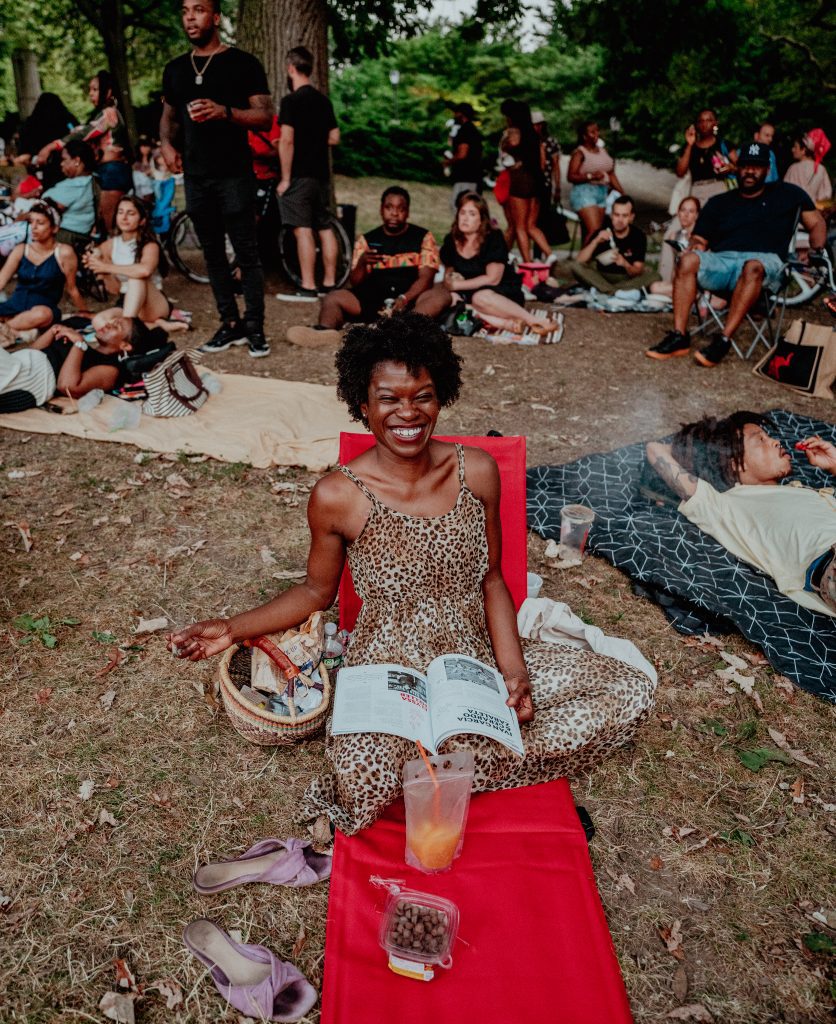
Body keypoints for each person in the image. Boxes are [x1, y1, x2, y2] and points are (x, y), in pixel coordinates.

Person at [169, 312, 655, 834]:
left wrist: (514, 672)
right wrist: (232, 628)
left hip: (472, 653)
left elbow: (492, 579)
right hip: (387, 660)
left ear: (440, 397)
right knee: (361, 776)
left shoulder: (477, 471)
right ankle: (462, 759)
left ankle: (449, 762)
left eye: (422, 396)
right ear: (363, 404)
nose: (408, 412)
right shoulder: (337, 495)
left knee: (629, 689)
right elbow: (315, 591)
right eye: (389, 398)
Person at [645, 142, 827, 366]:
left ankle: (723, 339)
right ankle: (679, 336)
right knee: (687, 260)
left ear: (767, 169)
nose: (750, 171)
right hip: (724, 261)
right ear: (736, 167)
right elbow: (700, 239)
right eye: (745, 166)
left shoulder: (788, 194)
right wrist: (695, 246)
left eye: (756, 166)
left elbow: (816, 223)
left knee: (752, 266)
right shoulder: (719, 202)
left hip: (766, 264)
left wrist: (815, 248)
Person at [161, 0, 273, 358]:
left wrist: (225, 112)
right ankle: (230, 323)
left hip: (234, 175)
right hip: (196, 177)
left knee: (246, 253)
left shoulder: (243, 63)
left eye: (198, 9)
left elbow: (264, 116)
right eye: (185, 11)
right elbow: (169, 117)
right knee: (211, 254)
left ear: (216, 17)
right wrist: (166, 144)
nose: (190, 18)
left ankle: (255, 327)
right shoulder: (176, 69)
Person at [646, 412, 836, 617]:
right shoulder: (727, 504)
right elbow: (655, 449)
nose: (775, 442)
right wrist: (703, 446)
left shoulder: (799, 490)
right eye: (760, 440)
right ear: (734, 463)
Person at [285, 187, 445, 347]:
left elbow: (426, 278)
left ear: (407, 212)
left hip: (410, 302)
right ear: (381, 210)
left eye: (400, 209)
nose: (394, 213)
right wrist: (362, 262)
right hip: (375, 302)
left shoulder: (423, 237)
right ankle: (324, 332)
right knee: (333, 297)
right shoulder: (367, 240)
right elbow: (355, 282)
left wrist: (404, 299)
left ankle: (404, 331)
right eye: (389, 207)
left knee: (439, 296)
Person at [434, 191, 559, 334]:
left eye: (472, 214)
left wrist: (457, 285)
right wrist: (450, 280)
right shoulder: (451, 240)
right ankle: (505, 323)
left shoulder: (493, 238)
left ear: (481, 220)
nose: (465, 218)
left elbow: (493, 278)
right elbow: (449, 267)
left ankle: (534, 321)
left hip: (500, 291)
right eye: (462, 213)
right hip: (468, 293)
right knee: (448, 299)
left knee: (479, 298)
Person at [275, 46, 340, 302]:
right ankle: (330, 283)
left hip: (299, 176)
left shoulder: (290, 101)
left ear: (291, 68)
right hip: (321, 176)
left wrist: (285, 179)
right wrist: (314, 137)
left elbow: (287, 140)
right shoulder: (323, 101)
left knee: (302, 230)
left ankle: (309, 286)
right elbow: (334, 137)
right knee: (324, 227)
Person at [0, 315, 161, 412]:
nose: (108, 324)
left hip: (32, 379)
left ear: (125, 346)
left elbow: (67, 386)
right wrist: (54, 330)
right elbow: (33, 352)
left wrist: (79, 344)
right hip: (20, 364)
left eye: (116, 327)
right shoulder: (83, 347)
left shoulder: (111, 370)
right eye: (112, 321)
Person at [82, 195, 185, 331]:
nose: (124, 217)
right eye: (120, 212)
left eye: (130, 213)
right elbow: (115, 289)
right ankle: (157, 326)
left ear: (142, 220)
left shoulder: (150, 245)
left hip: (152, 303)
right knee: (98, 321)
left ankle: (129, 330)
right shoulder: (109, 245)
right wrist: (98, 266)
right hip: (125, 302)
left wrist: (107, 266)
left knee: (136, 278)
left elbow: (145, 270)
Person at [0, 202, 85, 345]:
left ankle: (6, 328)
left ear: (54, 228)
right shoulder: (21, 249)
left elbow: (72, 288)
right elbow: (1, 280)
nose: (33, 227)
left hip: (42, 311)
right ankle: (15, 330)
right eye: (31, 222)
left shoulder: (64, 252)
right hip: (14, 306)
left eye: (40, 223)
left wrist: (87, 315)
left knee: (43, 314)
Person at [567, 194, 659, 294]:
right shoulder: (602, 232)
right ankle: (615, 292)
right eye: (616, 215)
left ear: (631, 217)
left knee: (655, 276)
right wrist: (596, 241)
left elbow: (637, 271)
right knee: (575, 266)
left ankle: (608, 290)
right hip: (600, 276)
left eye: (624, 215)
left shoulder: (638, 236)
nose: (620, 220)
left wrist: (625, 264)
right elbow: (579, 261)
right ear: (611, 215)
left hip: (626, 279)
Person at [499, 100, 552, 263]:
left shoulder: (514, 131)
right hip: (536, 182)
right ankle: (550, 255)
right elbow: (542, 163)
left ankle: (528, 263)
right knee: (531, 226)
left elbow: (510, 145)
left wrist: (505, 142)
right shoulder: (535, 135)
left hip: (520, 182)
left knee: (519, 226)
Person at [566, 119, 625, 243]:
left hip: (602, 192)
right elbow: (571, 176)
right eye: (592, 132)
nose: (597, 134)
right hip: (584, 192)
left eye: (597, 131)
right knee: (594, 231)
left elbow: (611, 174)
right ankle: (586, 254)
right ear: (584, 136)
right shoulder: (580, 153)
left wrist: (622, 193)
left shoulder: (603, 151)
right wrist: (590, 176)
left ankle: (589, 253)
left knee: (597, 232)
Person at [11, 92, 77, 188]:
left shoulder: (31, 123)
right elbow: (75, 134)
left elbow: (24, 148)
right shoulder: (67, 119)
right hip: (64, 168)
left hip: (38, 168)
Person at [674, 108, 737, 207]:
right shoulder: (690, 147)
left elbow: (741, 167)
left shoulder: (723, 145)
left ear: (715, 123)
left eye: (709, 120)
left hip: (719, 188)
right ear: (697, 124)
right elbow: (680, 172)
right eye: (701, 121)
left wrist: (730, 168)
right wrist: (689, 144)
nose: (705, 124)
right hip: (697, 191)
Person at [42, 140, 97, 246]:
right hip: (75, 237)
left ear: (77, 161)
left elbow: (44, 209)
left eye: (64, 159)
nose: (61, 164)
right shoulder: (92, 180)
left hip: (64, 238)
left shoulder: (77, 185)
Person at [649, 196, 701, 297]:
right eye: (683, 210)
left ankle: (693, 296)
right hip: (679, 282)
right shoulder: (676, 235)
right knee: (655, 287)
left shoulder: (700, 236)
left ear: (696, 215)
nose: (686, 215)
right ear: (678, 213)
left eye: (691, 211)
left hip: (696, 282)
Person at [444, 102, 483, 212]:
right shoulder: (472, 130)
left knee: (461, 207)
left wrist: (448, 162)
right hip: (471, 177)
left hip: (466, 177)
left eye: (456, 113)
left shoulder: (465, 130)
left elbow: (462, 154)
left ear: (461, 114)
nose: (454, 115)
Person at [784, 133, 833, 206]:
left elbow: (785, 192)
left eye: (795, 147)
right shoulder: (821, 169)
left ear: (804, 150)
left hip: (796, 209)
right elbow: (826, 193)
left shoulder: (793, 168)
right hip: (814, 209)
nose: (792, 149)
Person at [532, 110, 561, 208]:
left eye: (539, 124)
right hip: (529, 184)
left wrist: (557, 188)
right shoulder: (526, 142)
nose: (537, 127)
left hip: (545, 183)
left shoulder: (551, 142)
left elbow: (556, 166)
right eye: (535, 125)